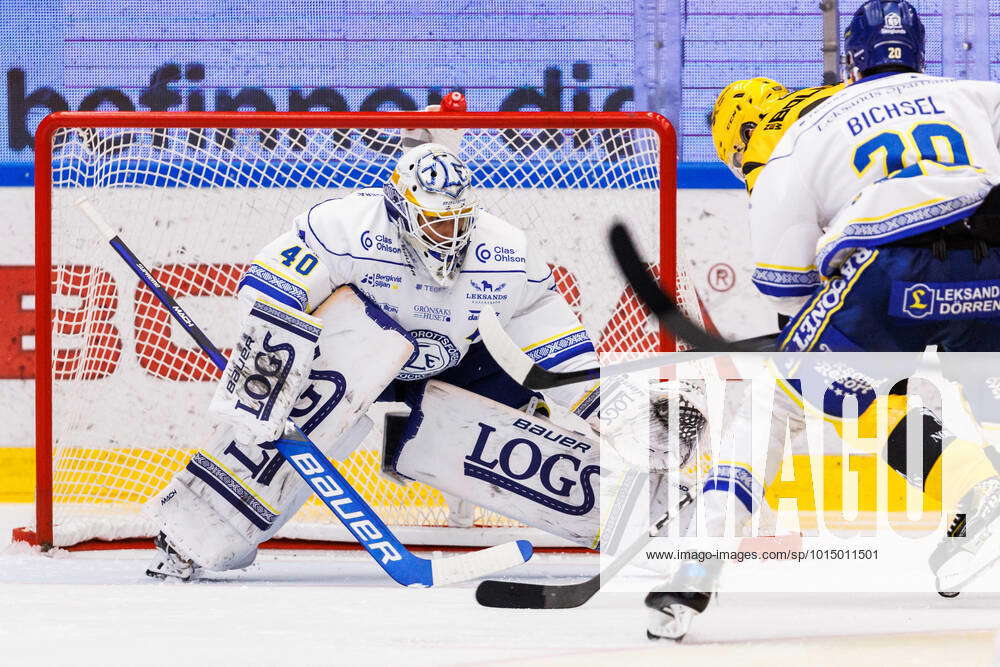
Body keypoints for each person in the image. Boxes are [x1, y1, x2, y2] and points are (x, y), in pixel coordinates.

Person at [646, 0, 1000, 641]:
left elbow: (789, 291)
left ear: (855, 60)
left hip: (885, 275)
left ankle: (696, 567)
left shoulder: (799, 143)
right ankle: (975, 494)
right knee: (967, 397)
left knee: (777, 403)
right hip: (991, 268)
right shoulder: (975, 93)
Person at [143, 134, 619, 580]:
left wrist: (610, 411)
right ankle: (195, 534)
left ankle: (630, 515)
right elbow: (270, 291)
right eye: (435, 222)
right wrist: (263, 385)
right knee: (294, 416)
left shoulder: (507, 252)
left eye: (456, 221)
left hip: (456, 366)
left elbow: (554, 342)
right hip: (354, 359)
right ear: (401, 209)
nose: (447, 235)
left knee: (501, 432)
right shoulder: (345, 227)